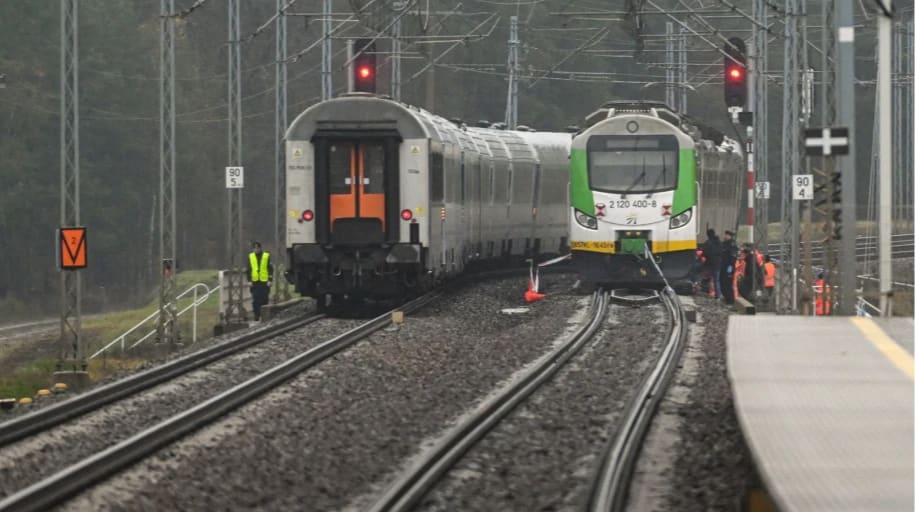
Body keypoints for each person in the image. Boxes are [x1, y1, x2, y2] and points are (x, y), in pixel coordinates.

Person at [248, 241, 273, 321]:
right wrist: (249, 280)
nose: (256, 249)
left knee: (264, 298)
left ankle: (264, 315)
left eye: (257, 248)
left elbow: (270, 269)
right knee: (255, 299)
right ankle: (257, 315)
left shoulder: (266, 256)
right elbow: (249, 269)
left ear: (260, 248)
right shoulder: (250, 256)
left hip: (264, 281)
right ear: (253, 249)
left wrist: (270, 280)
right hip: (255, 281)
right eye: (254, 248)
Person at [703, 229, 722, 299]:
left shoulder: (708, 243)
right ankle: (718, 296)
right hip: (718, 264)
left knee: (705, 277)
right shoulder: (719, 242)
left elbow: (704, 253)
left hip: (709, 264)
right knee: (716, 280)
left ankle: (706, 291)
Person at [719, 230, 737, 304]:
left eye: (726, 235)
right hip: (723, 267)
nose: (725, 236)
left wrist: (730, 267)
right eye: (725, 235)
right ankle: (727, 298)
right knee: (722, 282)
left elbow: (733, 257)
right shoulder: (724, 244)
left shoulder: (732, 245)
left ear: (730, 236)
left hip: (728, 267)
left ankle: (730, 300)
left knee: (728, 284)